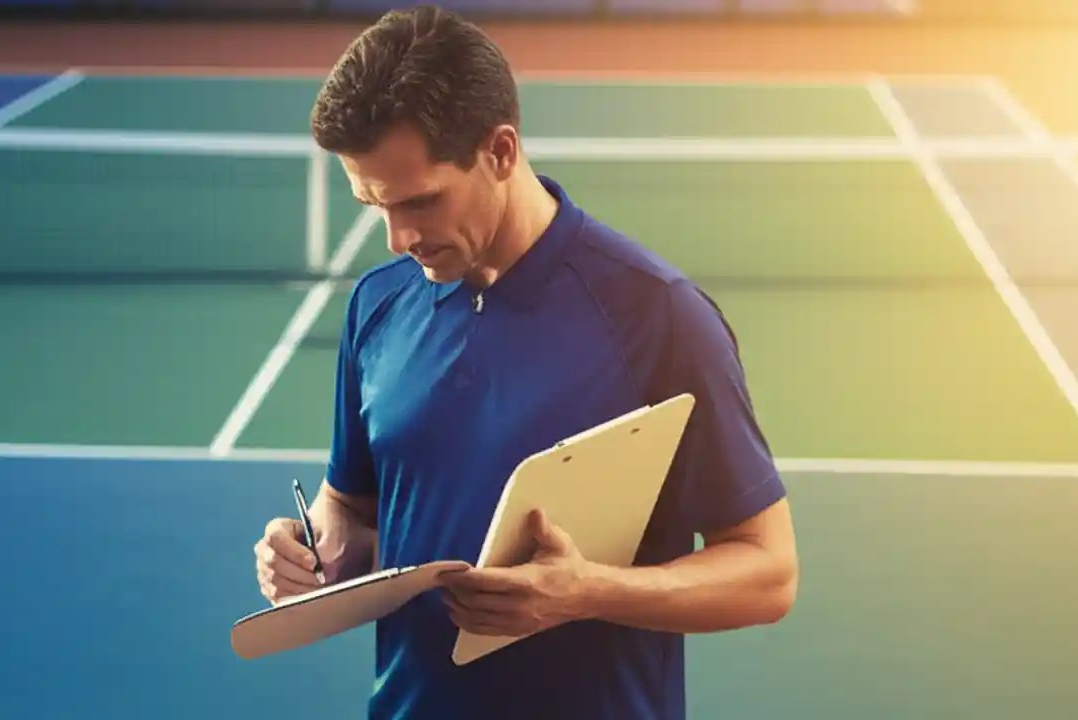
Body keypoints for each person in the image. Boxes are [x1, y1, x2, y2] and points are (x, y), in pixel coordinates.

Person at [253, 5, 799, 719]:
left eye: (420, 201)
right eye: (373, 205)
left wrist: (588, 592)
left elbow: (767, 573)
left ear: (501, 151)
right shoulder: (378, 306)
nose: (397, 238)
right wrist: (311, 555)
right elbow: (352, 509)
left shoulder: (657, 314)